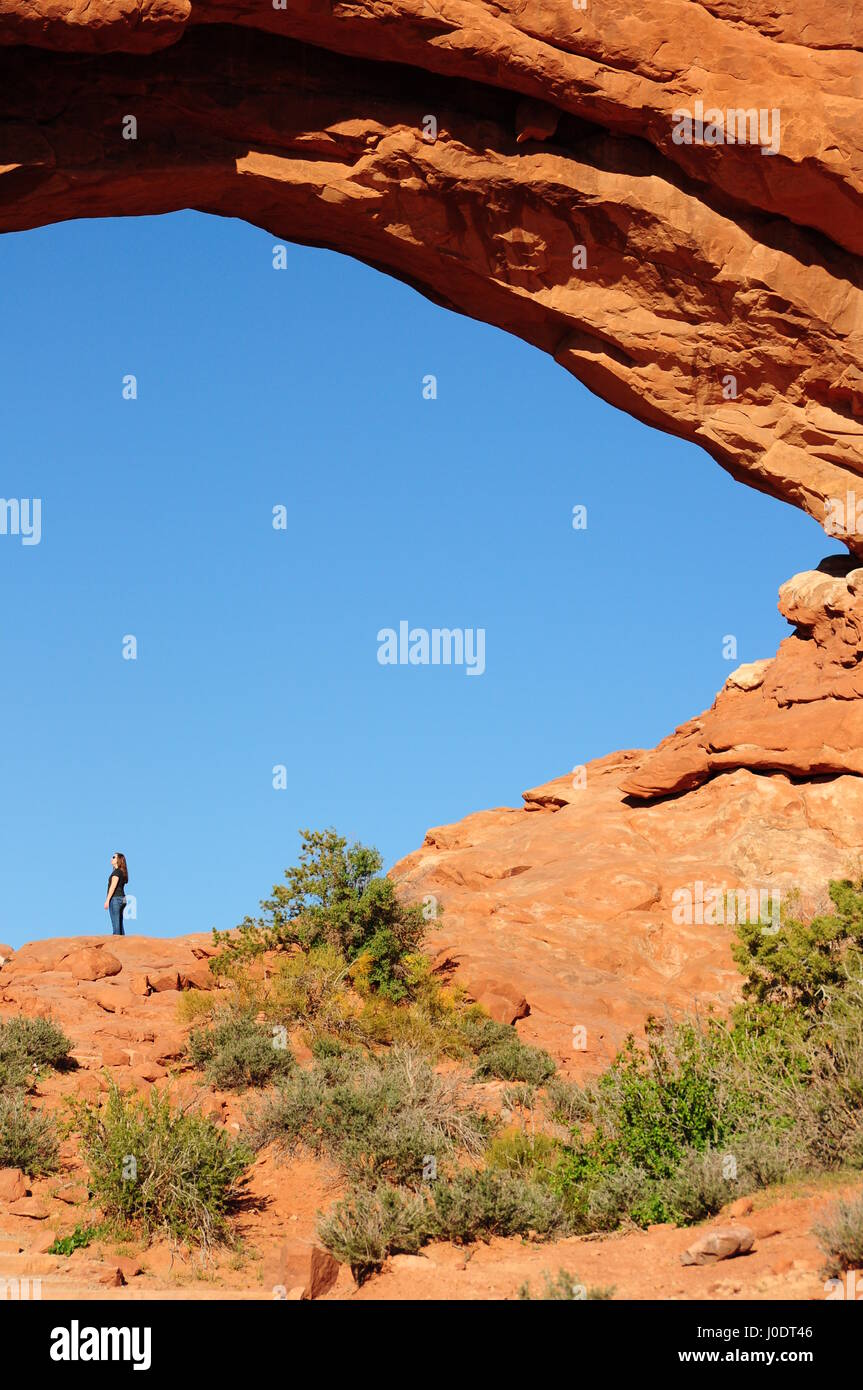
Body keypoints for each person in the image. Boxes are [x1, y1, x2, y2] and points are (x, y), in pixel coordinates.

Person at [104, 852, 129, 936]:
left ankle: (116, 942)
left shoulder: (117, 872)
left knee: (116, 924)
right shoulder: (122, 872)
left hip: (116, 899)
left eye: (114, 857)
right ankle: (123, 942)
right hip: (122, 899)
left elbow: (113, 887)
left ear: (118, 860)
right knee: (119, 923)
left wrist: (107, 900)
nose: (111, 859)